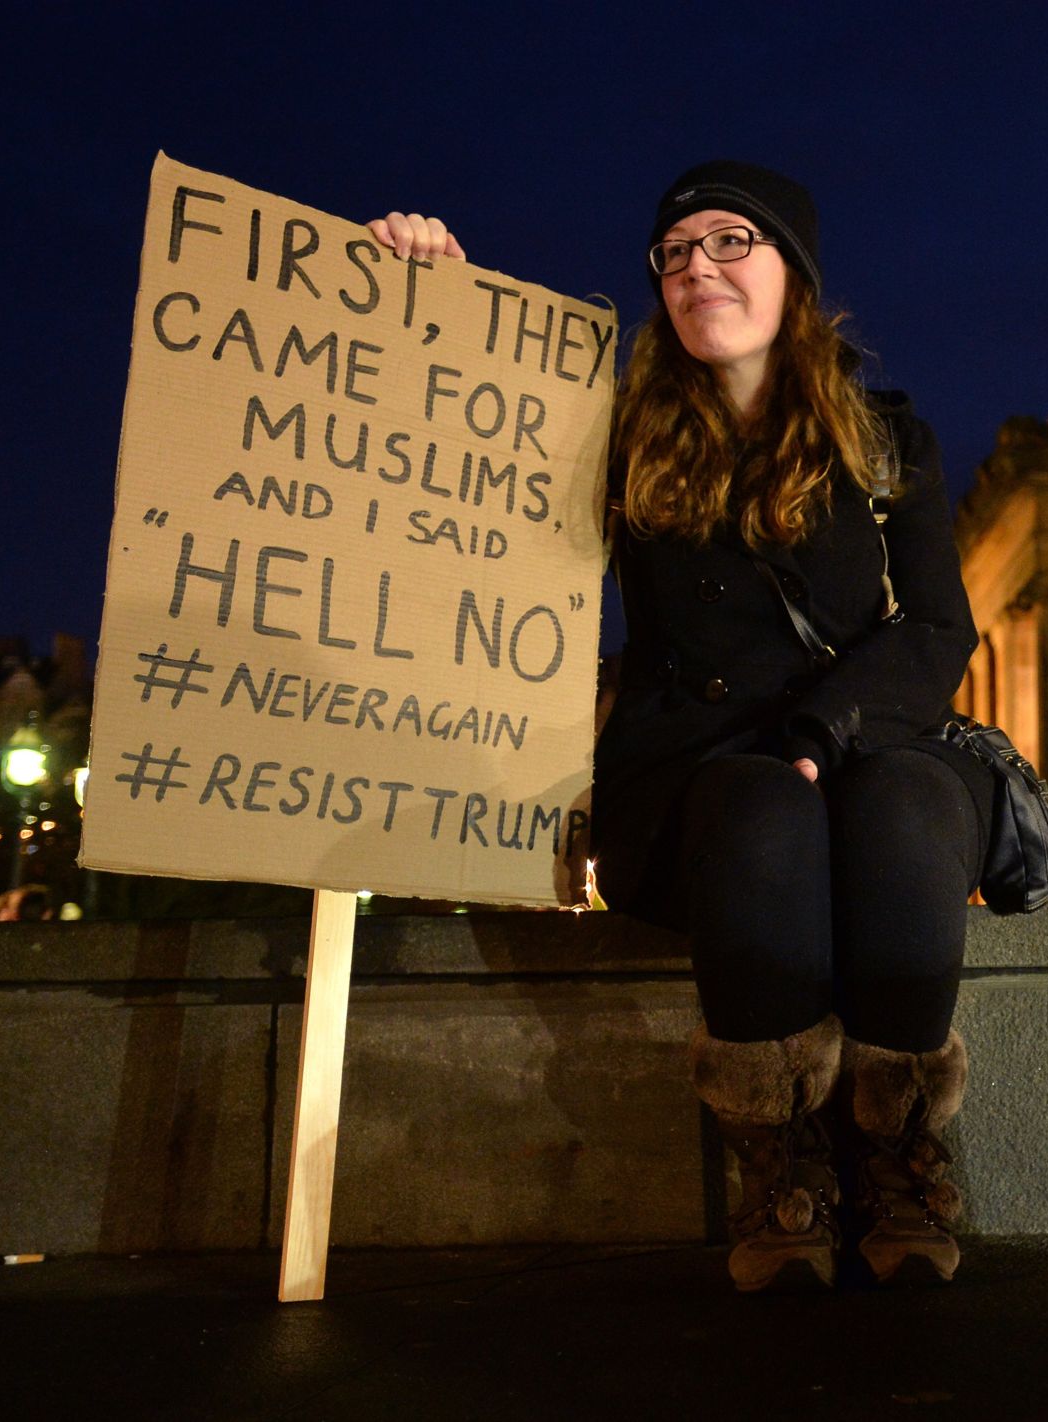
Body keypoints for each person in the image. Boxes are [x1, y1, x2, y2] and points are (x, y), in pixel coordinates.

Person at [370, 161, 989, 1292]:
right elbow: (462, 480)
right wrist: (435, 302)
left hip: (859, 742)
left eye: (729, 241)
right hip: (692, 775)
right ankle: (781, 1152)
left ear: (792, 277)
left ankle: (898, 1142)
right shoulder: (610, 436)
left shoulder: (886, 436)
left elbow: (940, 630)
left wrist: (821, 730)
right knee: (758, 805)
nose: (696, 265)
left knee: (904, 805)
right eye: (673, 251)